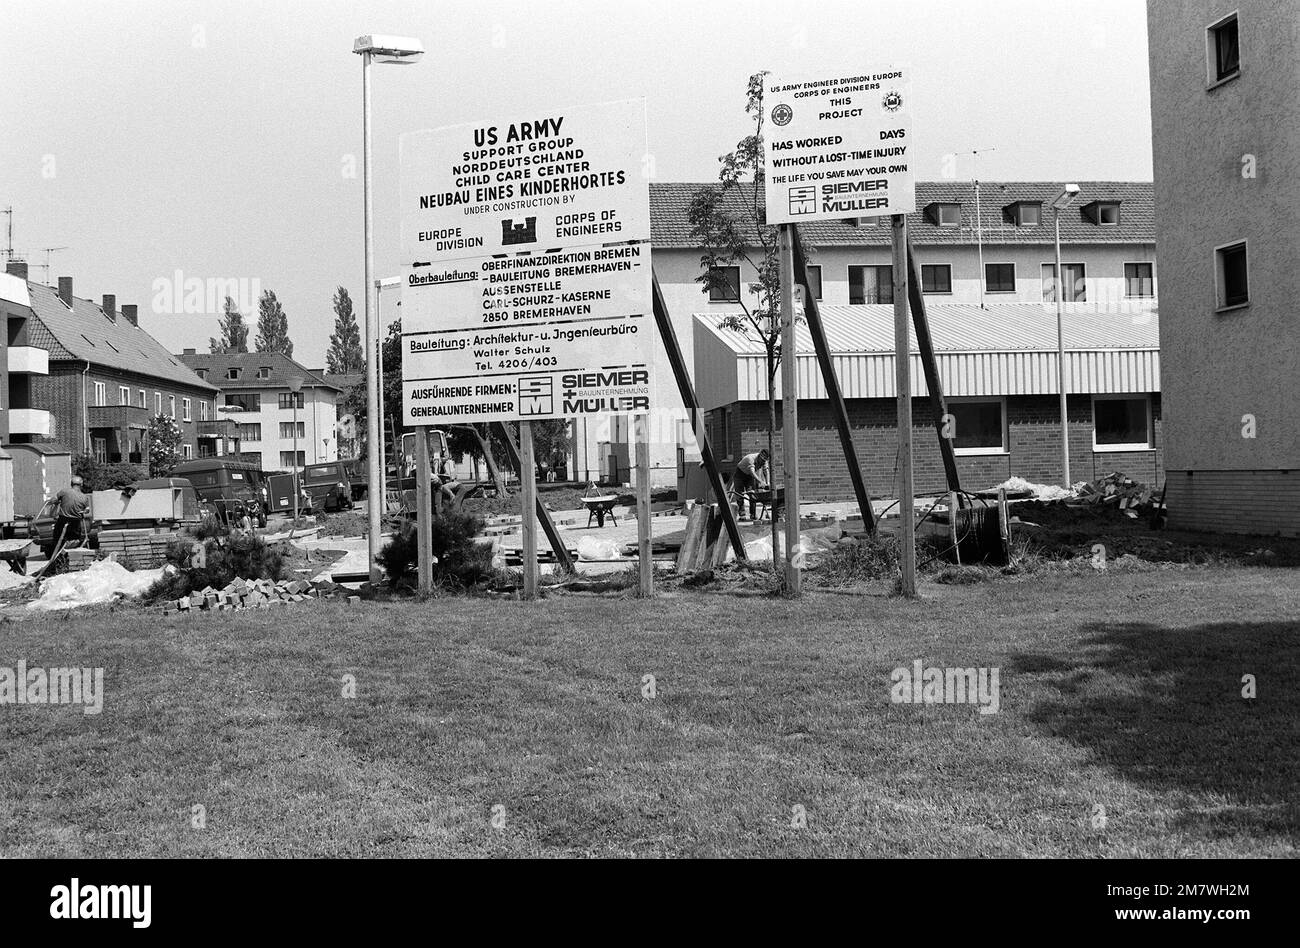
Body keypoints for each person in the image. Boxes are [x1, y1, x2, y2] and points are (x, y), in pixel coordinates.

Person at [52, 475, 91, 551]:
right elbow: (87, 510)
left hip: (63, 521)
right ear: (81, 484)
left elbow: (53, 500)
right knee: (74, 543)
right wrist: (83, 511)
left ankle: (59, 558)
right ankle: (73, 558)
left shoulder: (64, 492)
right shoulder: (84, 497)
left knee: (58, 542)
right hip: (75, 523)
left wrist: (57, 501)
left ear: (71, 484)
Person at [731, 448, 770, 521]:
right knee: (740, 495)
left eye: (764, 461)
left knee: (752, 494)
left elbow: (766, 471)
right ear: (759, 456)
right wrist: (760, 481)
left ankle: (753, 515)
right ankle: (742, 515)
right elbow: (752, 472)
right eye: (762, 460)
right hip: (740, 474)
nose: (762, 462)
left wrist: (767, 483)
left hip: (749, 476)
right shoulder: (750, 459)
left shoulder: (764, 461)